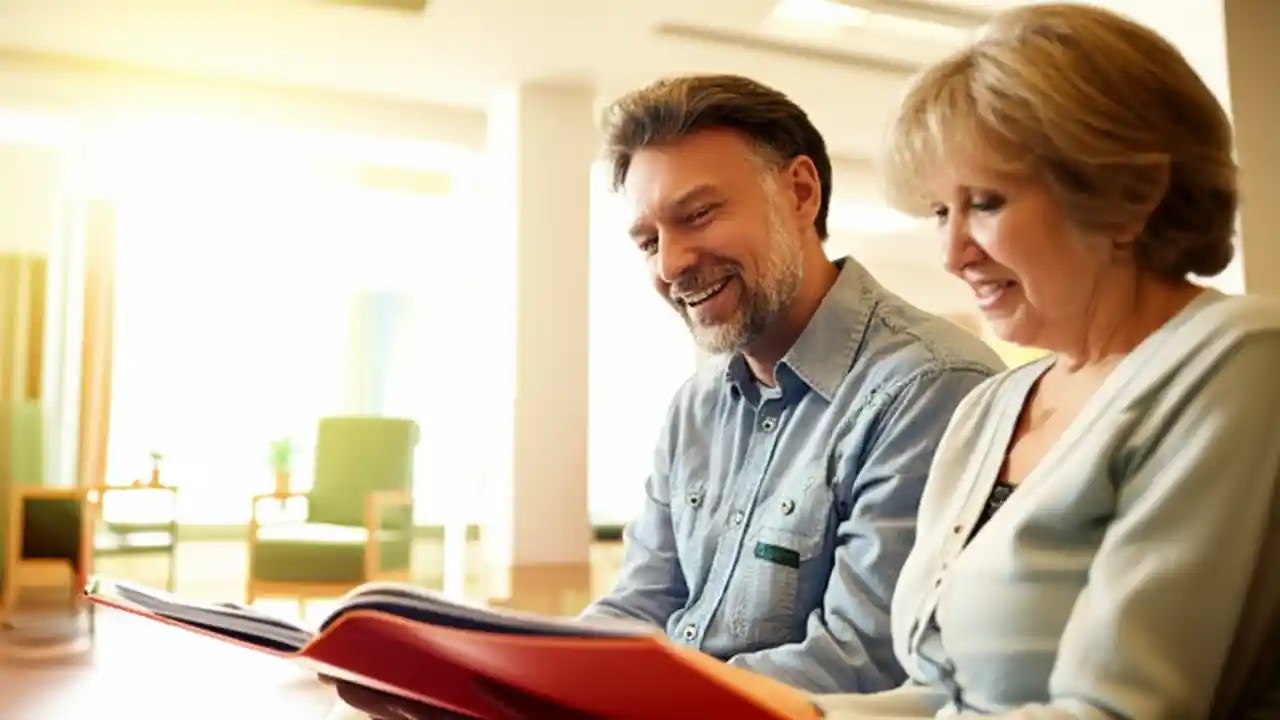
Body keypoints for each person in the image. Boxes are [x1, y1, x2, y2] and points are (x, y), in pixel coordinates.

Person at [327, 74, 1004, 718]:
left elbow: (857, 665)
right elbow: (638, 608)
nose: (671, 264)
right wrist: (512, 688)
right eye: (649, 240)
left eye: (699, 215)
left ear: (800, 194)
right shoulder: (697, 406)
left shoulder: (928, 387)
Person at [808, 3, 1280, 718]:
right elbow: (942, 695)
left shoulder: (1241, 359)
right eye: (940, 211)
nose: (952, 252)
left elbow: (1118, 711)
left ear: (1130, 195)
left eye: (986, 203)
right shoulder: (993, 406)